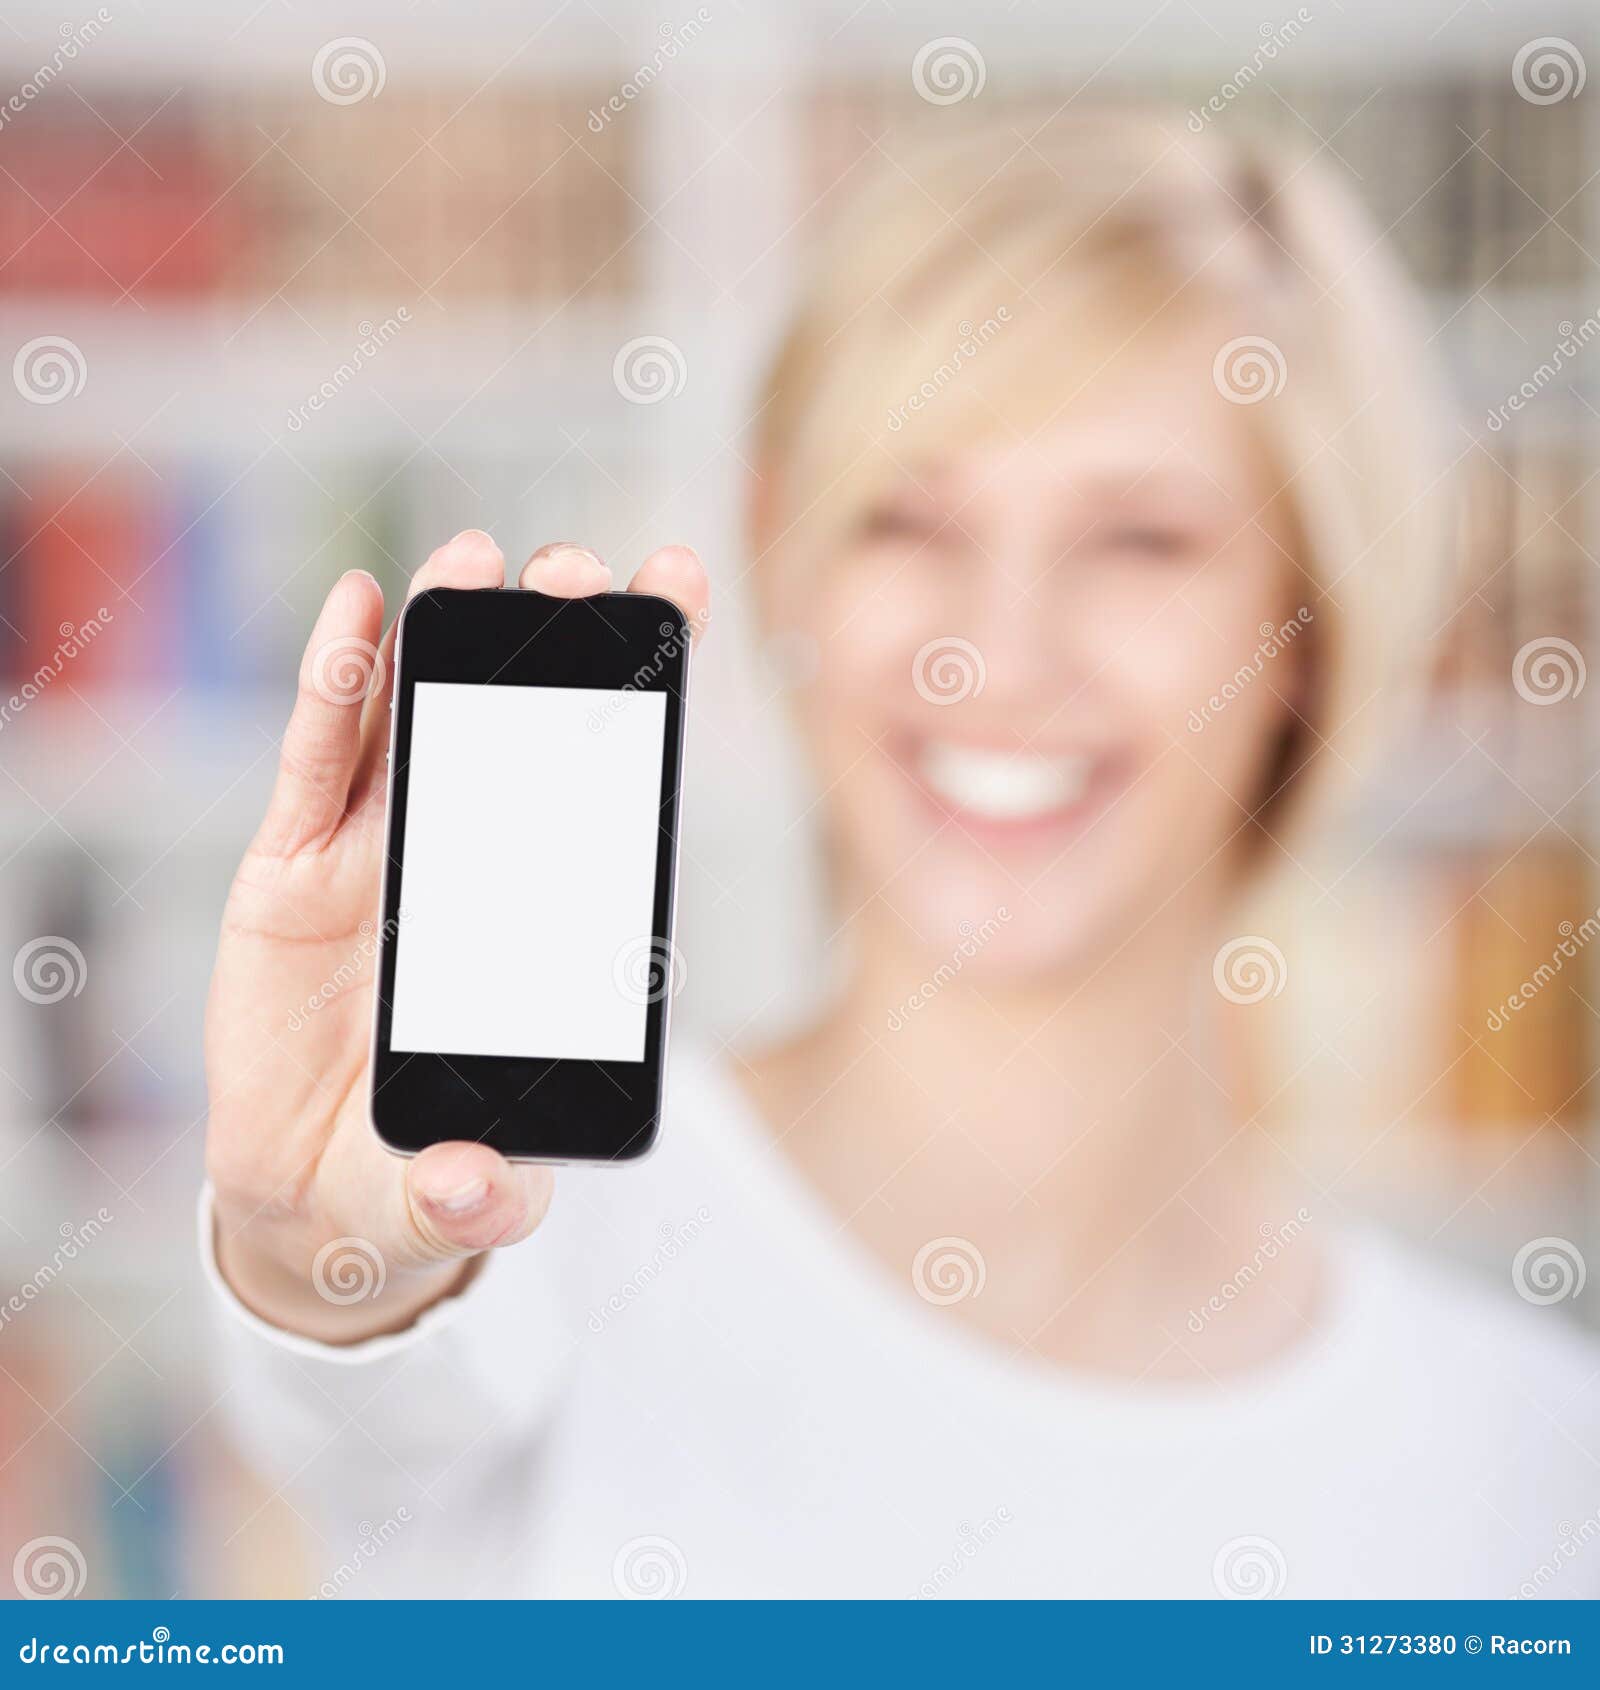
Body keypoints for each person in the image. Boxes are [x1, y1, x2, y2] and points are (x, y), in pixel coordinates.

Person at [201, 113, 1597, 1599]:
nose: (997, 650)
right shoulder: (518, 1226)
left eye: (1140, 539)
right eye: (907, 521)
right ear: (779, 551)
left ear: (1306, 629)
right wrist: (318, 1262)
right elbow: (361, 1378)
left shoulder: (1530, 1464)